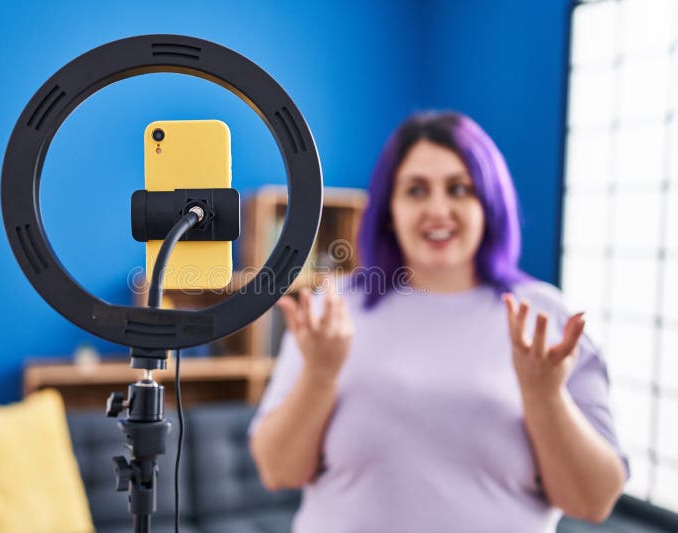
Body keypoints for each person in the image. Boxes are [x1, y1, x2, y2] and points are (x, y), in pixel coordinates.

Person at [248, 112, 628, 533]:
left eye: (459, 189)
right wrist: (319, 375)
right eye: (415, 190)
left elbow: (594, 501)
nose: (437, 209)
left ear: (488, 202)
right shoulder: (334, 308)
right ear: (390, 209)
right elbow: (277, 472)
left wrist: (544, 395)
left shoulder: (544, 318)